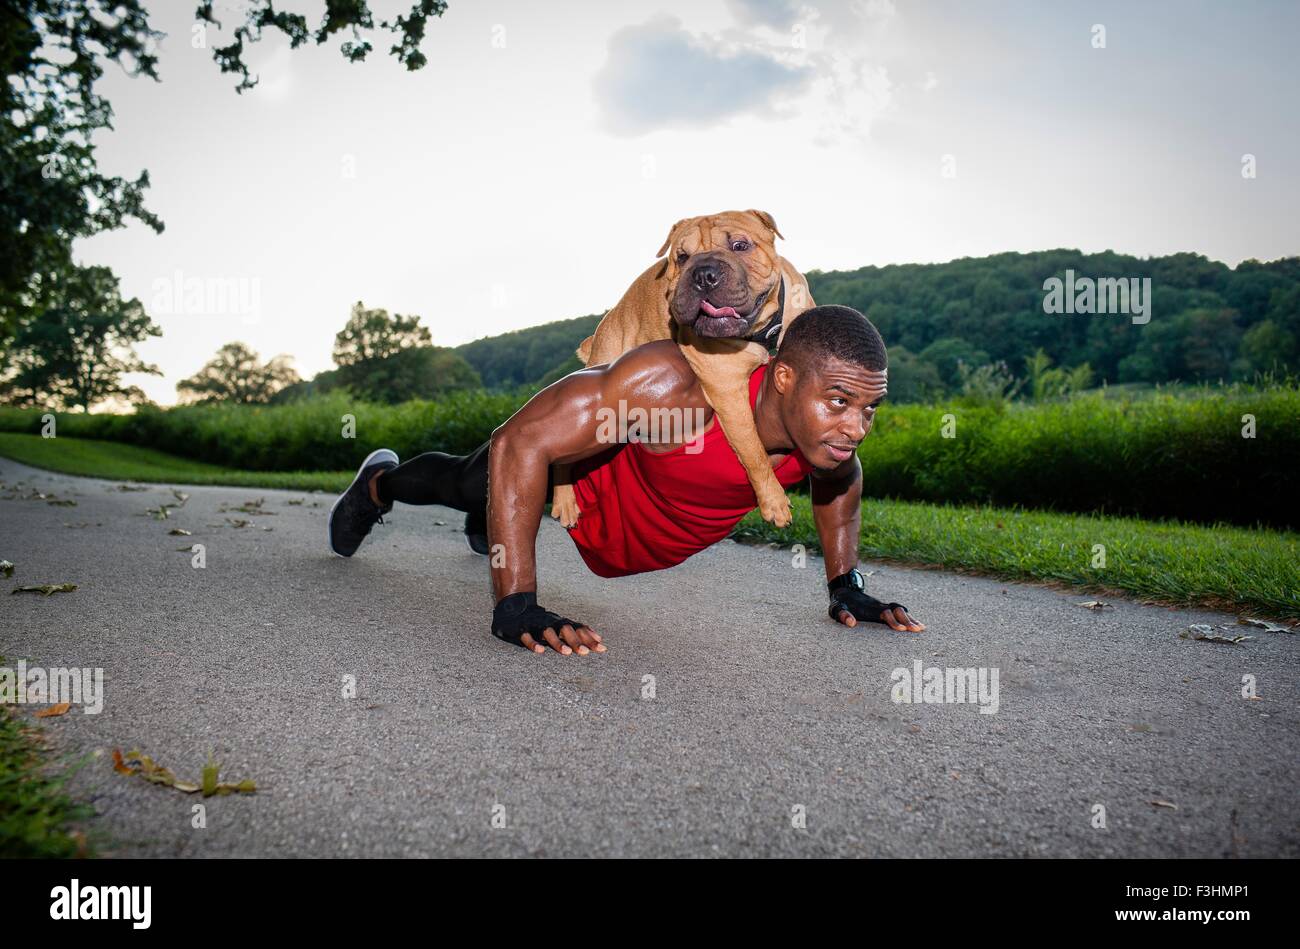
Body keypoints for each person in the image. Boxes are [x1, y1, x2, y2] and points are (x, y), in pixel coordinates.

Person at [328, 304, 925, 654]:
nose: (856, 427)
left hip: (621, 539)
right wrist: (516, 605)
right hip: (576, 480)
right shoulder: (678, 388)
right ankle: (378, 482)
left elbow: (842, 487)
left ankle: (488, 520)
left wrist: (845, 585)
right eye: (840, 401)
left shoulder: (822, 446)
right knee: (468, 480)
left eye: (869, 408)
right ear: (785, 378)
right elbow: (523, 441)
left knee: (489, 500)